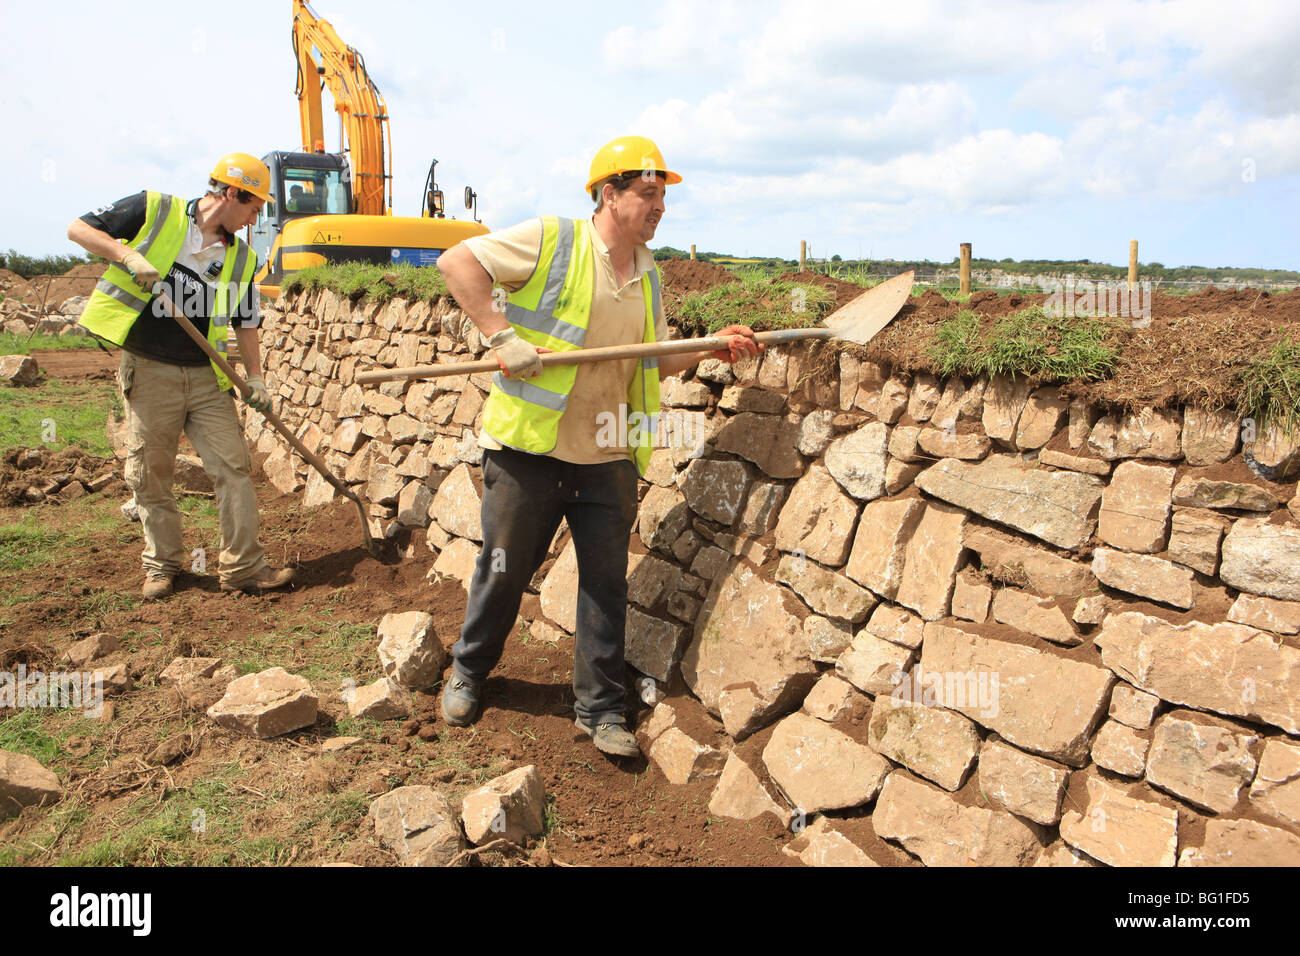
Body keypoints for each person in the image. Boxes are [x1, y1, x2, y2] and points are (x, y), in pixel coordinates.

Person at [436, 135, 761, 758]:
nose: (659, 206)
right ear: (609, 194)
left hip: (609, 450)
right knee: (503, 571)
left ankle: (602, 709)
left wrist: (712, 346)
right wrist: (501, 336)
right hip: (531, 448)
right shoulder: (553, 241)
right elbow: (457, 263)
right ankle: (469, 673)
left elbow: (657, 361)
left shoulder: (649, 272)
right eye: (647, 193)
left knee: (605, 584)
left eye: (662, 196)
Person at [69, 152, 296, 600]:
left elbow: (244, 319)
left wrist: (256, 377)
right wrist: (127, 254)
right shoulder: (155, 210)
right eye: (253, 207)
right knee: (152, 473)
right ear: (231, 193)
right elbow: (78, 229)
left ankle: (244, 568)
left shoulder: (242, 259)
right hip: (150, 368)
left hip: (206, 376)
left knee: (233, 467)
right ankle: (163, 566)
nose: (255, 218)